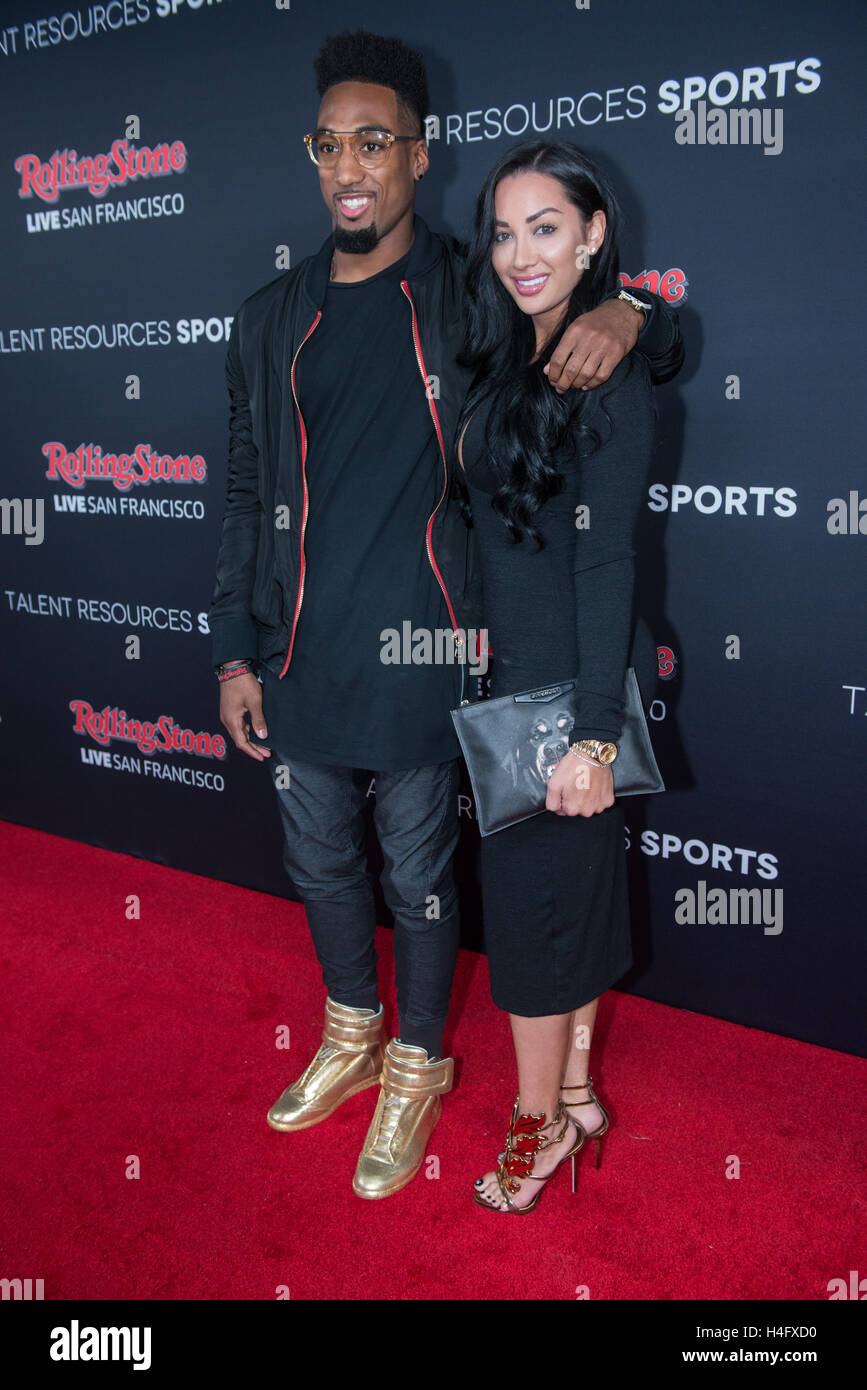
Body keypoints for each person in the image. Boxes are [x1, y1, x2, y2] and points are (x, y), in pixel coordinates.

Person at [208, 31, 683, 1202]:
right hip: (303, 651)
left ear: (420, 156)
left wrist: (635, 316)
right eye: (331, 143)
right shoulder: (271, 316)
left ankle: (421, 1063)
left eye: (377, 140)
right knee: (322, 866)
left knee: (431, 880)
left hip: (440, 661)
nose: (351, 165)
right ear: (314, 158)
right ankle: (354, 1034)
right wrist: (234, 644)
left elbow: (583, 317)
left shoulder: (469, 284)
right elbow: (241, 486)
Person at [455, 141, 659, 1213]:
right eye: (503, 229)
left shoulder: (610, 366)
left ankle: (532, 1136)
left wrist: (592, 738)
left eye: (546, 227)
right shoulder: (504, 359)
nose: (519, 252)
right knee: (565, 913)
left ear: (593, 234)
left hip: (565, 699)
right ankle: (576, 1095)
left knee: (534, 941)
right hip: (507, 689)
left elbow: (607, 556)